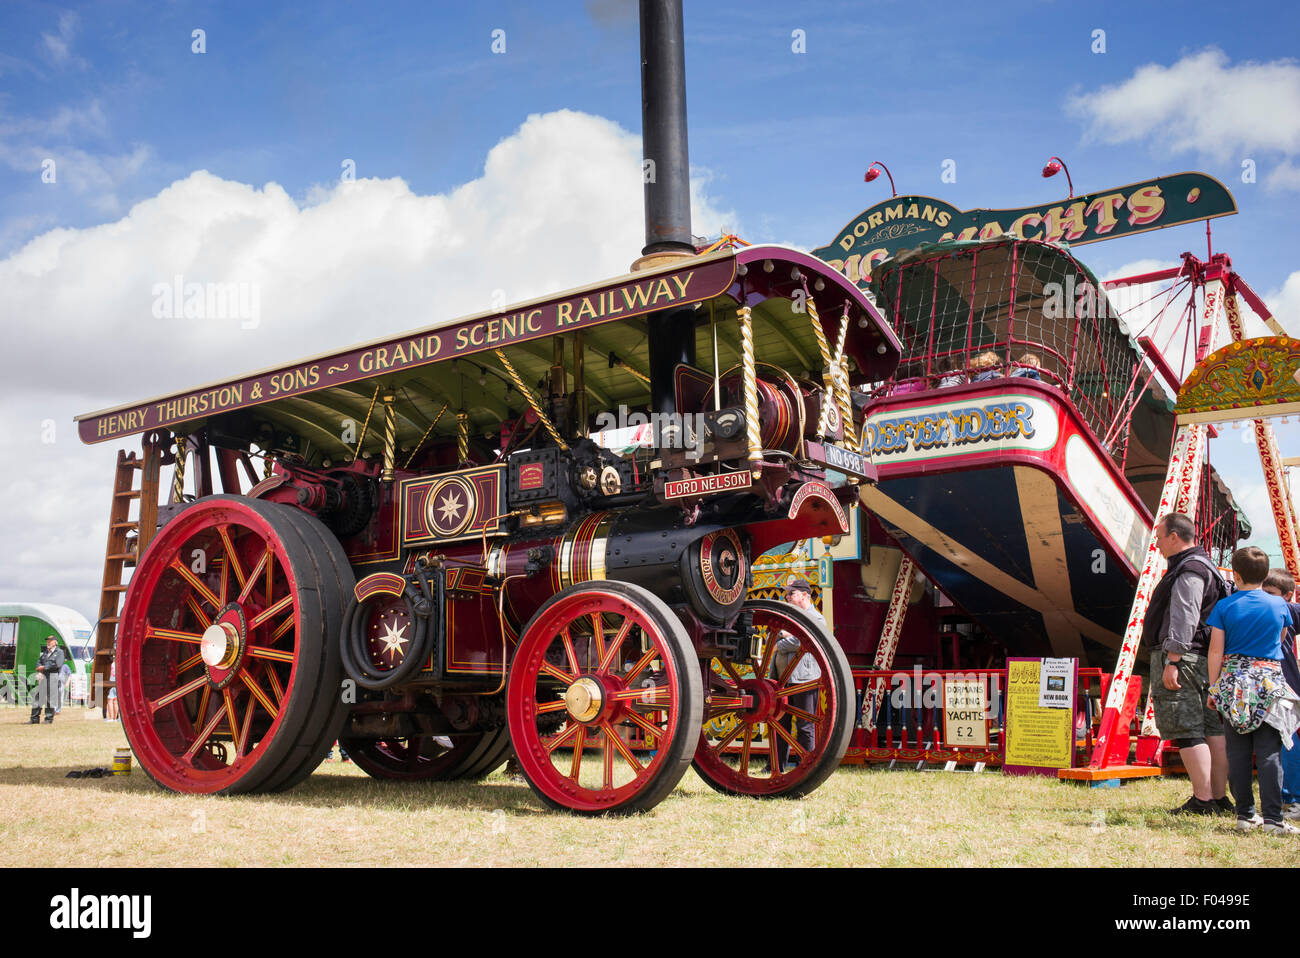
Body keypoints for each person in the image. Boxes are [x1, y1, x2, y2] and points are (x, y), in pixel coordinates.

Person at [1142, 513, 1231, 815]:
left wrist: (1173, 660)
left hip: (1185, 658)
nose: (1157, 544)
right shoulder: (1207, 566)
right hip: (1204, 659)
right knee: (1210, 729)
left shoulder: (1189, 569)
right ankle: (1218, 797)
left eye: (1160, 538)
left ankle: (1203, 800)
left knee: (1186, 727)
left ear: (1175, 537)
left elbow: (1184, 615)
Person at [1208, 547, 1300, 834]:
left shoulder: (1224, 607)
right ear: (1265, 575)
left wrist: (1214, 688)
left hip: (1233, 684)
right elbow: (1281, 638)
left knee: (1237, 752)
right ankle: (1274, 819)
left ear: (1235, 575)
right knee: (1269, 752)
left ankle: (1245, 815)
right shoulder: (1280, 607)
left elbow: (1215, 651)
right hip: (1269, 684)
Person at [767, 578, 823, 774]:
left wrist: (780, 641)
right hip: (782, 681)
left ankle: (806, 766)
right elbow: (773, 635)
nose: (787, 597)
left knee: (805, 725)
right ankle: (775, 765)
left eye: (791, 593)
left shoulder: (816, 618)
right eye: (787, 594)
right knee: (779, 723)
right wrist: (783, 636)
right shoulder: (791, 616)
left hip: (804, 679)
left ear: (805, 595)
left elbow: (802, 642)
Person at [1261, 568, 1300, 819]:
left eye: (1271, 594)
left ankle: (1293, 797)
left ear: (1287, 596)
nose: (1266, 598)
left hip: (1285, 686)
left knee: (1289, 742)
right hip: (1263, 686)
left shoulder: (1289, 611)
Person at [29, 635, 65, 724]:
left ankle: (48, 719)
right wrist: (39, 668)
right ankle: (34, 719)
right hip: (43, 678)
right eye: (47, 641)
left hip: (53, 677)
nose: (48, 642)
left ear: (55, 642)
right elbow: (39, 661)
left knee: (50, 700)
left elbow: (58, 664)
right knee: (37, 698)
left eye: (50, 641)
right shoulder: (45, 652)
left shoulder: (59, 652)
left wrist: (44, 667)